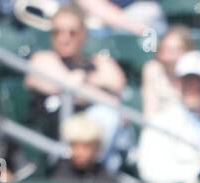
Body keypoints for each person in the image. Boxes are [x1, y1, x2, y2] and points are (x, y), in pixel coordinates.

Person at [25, 6, 127, 156]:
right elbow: (68, 85)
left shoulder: (96, 61)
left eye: (72, 33)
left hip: (96, 140)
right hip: (55, 135)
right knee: (108, 113)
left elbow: (118, 81)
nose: (64, 39)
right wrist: (105, 97)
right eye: (57, 32)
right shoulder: (42, 59)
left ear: (84, 34)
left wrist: (84, 79)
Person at [136, 51, 200, 183]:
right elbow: (150, 171)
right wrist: (199, 176)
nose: (192, 87)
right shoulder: (161, 123)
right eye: (186, 82)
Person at [140, 24, 193, 120]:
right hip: (161, 125)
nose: (170, 54)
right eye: (165, 48)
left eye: (175, 49)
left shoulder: (195, 73)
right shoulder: (153, 69)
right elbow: (150, 108)